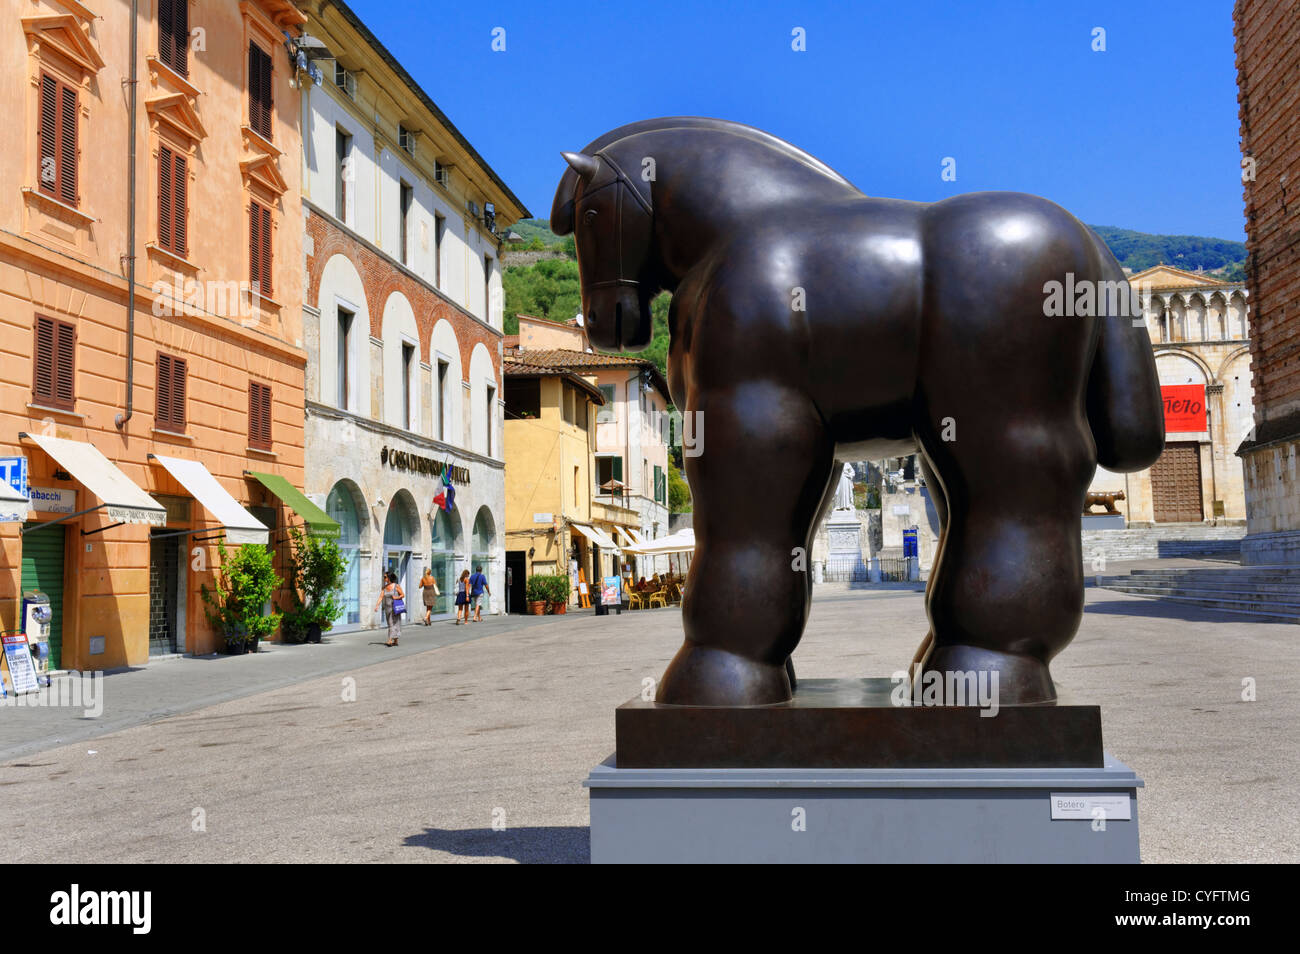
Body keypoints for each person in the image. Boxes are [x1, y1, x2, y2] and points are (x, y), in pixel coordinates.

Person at [373, 571, 404, 647]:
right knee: (390, 623)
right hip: (388, 608)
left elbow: (403, 595)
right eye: (384, 577)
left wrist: (396, 597)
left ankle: (390, 640)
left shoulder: (396, 586)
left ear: (389, 578)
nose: (384, 578)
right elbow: (381, 597)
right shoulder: (384, 588)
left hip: (395, 607)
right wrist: (377, 606)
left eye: (385, 577)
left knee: (395, 623)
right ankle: (395, 640)